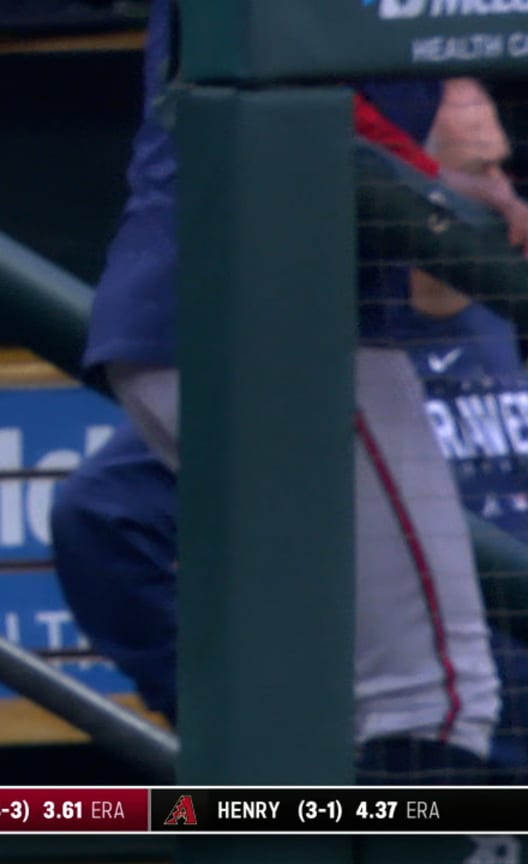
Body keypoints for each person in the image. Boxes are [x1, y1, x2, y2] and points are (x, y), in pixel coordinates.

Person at [79, 0, 515, 781]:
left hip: (214, 309)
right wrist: (434, 191)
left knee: (334, 696)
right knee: (432, 698)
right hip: (277, 318)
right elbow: (297, 80)